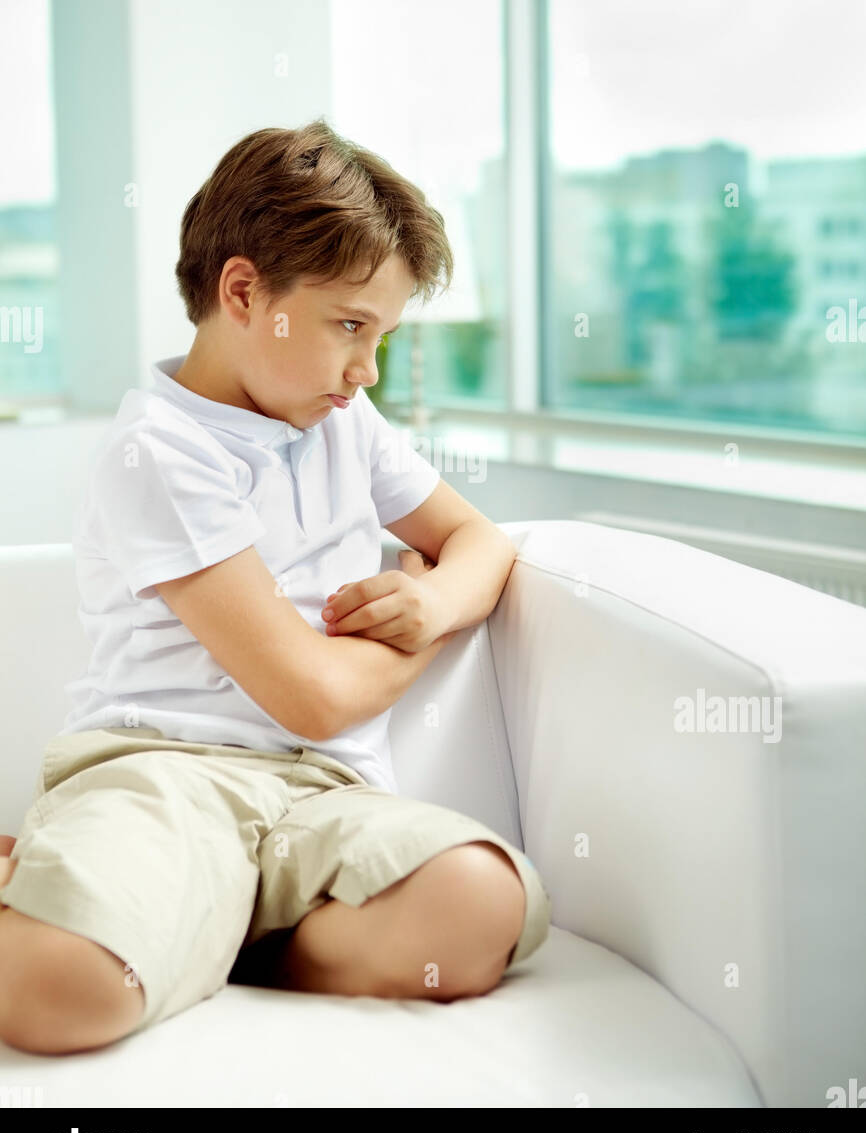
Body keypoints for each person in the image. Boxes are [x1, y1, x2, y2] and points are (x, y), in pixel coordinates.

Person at [0, 120, 552, 1056]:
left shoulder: (349, 422)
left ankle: (208, 934)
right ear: (247, 291)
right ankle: (133, 913)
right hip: (170, 773)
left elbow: (478, 541)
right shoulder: (159, 456)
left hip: (326, 797)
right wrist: (410, 637)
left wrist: (431, 598)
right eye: (349, 325)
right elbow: (310, 694)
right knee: (64, 998)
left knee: (479, 899)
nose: (364, 370)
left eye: (381, 336)